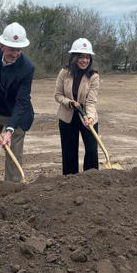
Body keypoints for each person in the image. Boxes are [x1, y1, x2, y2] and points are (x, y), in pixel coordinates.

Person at [0, 22, 35, 188]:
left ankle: (11, 196)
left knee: (13, 158)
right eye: (12, 49)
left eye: (19, 50)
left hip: (17, 115)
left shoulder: (27, 68)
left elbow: (22, 101)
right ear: (2, 45)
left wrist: (9, 130)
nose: (16, 54)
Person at [55, 38, 100, 175]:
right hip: (67, 117)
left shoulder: (93, 76)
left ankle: (91, 178)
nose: (84, 60)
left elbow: (91, 101)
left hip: (86, 117)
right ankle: (70, 181)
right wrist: (69, 102)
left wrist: (90, 117)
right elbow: (58, 95)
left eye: (87, 57)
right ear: (74, 57)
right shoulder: (64, 72)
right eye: (81, 57)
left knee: (92, 150)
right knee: (69, 153)